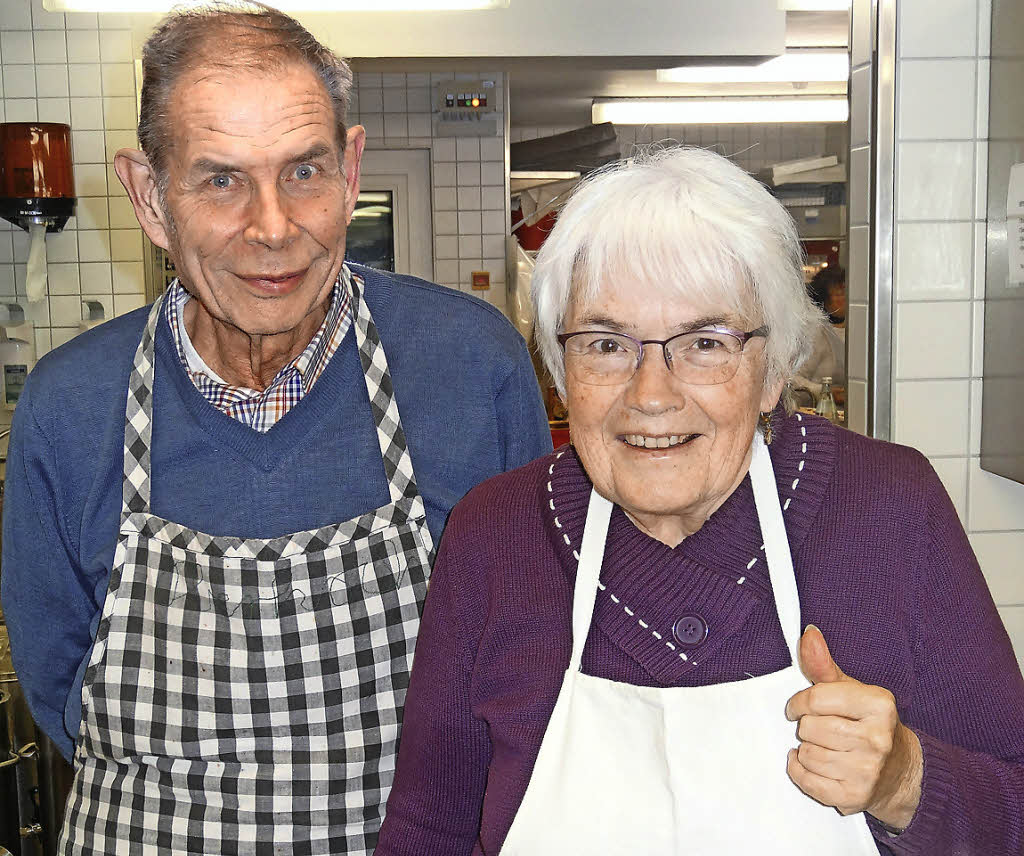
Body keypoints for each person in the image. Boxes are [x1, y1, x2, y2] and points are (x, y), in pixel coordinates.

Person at [0, 4, 550, 854]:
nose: (272, 228)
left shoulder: (470, 366)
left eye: (303, 172)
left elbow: (527, 646)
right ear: (151, 198)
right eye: (221, 179)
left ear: (351, 168)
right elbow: (57, 684)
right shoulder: (69, 407)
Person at [375, 147, 1024, 855]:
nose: (651, 394)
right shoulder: (496, 533)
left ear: (772, 372)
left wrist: (904, 780)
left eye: (706, 343)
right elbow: (427, 830)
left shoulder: (888, 507)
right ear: (561, 373)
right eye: (606, 344)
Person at [793, 264, 847, 403]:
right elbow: (793, 378)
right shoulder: (815, 332)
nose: (846, 298)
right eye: (839, 293)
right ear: (824, 298)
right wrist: (824, 391)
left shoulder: (858, 331)